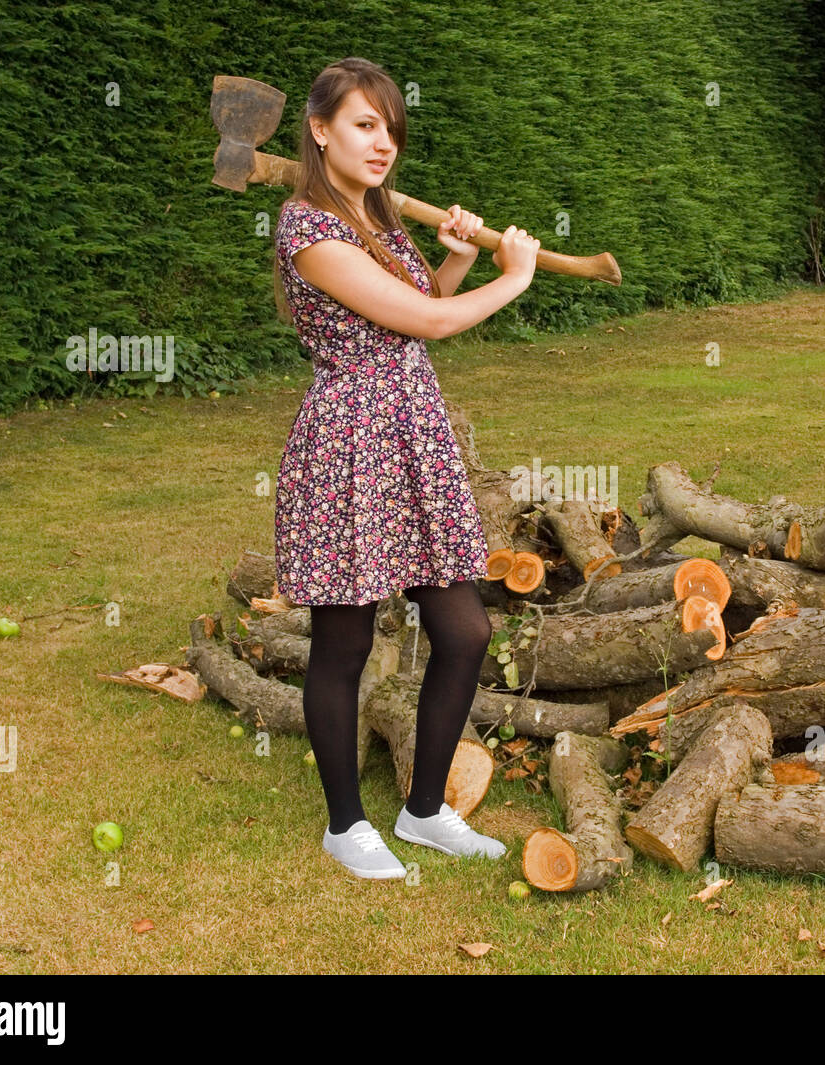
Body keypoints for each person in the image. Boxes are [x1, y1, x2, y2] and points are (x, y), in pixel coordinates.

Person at [271, 57, 540, 880]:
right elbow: (426, 318)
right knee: (344, 641)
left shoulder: (377, 218)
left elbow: (413, 318)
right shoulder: (309, 229)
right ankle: (345, 825)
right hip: (350, 441)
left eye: (390, 127)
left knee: (465, 630)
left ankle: (424, 809)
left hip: (413, 436)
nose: (383, 141)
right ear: (319, 130)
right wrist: (516, 278)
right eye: (363, 124)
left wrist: (456, 256)